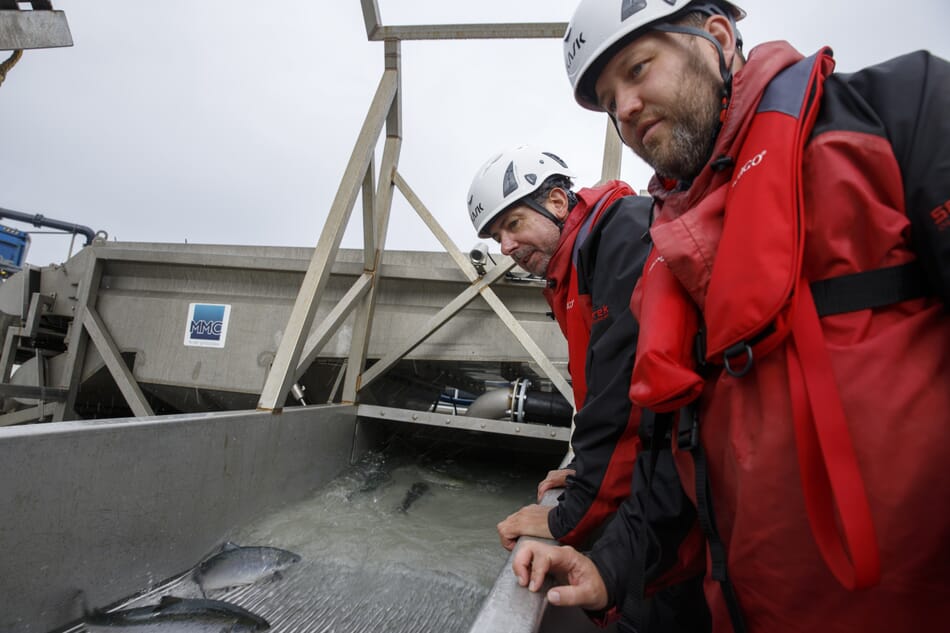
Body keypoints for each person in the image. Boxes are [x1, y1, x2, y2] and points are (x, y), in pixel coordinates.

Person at [514, 2, 950, 632]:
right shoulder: (666, 262)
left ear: (717, 37)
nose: (627, 110)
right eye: (611, 102)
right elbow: (673, 464)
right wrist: (608, 569)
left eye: (638, 69)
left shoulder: (899, 113)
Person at [467, 145, 709, 631]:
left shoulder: (621, 237)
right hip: (666, 482)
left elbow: (624, 398)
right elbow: (599, 392)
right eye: (496, 237)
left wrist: (564, 518)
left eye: (512, 225)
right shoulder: (574, 267)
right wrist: (580, 469)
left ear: (557, 202)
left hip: (689, 484)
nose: (505, 248)